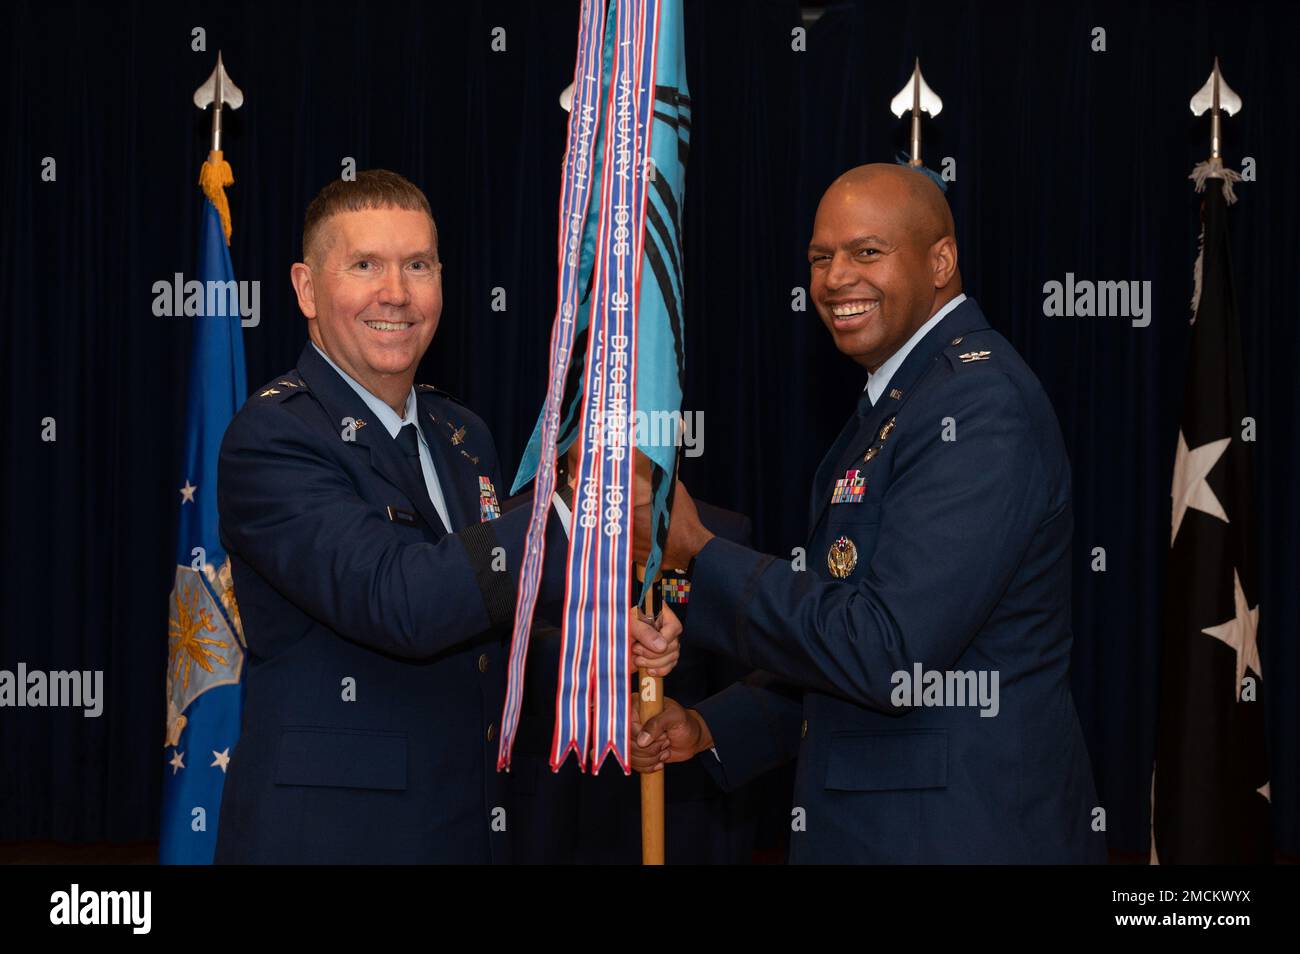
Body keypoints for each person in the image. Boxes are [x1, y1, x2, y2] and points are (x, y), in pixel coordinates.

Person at [632, 163, 1106, 864]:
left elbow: (887, 652)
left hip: (955, 836)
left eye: (866, 252)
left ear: (940, 261)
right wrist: (711, 725)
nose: (833, 278)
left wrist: (699, 555)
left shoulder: (977, 407)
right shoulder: (901, 402)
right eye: (821, 258)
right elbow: (841, 642)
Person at [214, 169, 678, 863]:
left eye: (418, 266)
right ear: (308, 289)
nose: (396, 293)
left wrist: (610, 629)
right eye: (365, 265)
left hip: (469, 827)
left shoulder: (463, 434)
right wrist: (570, 510)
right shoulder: (273, 437)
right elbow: (400, 601)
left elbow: (494, 614)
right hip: (333, 839)